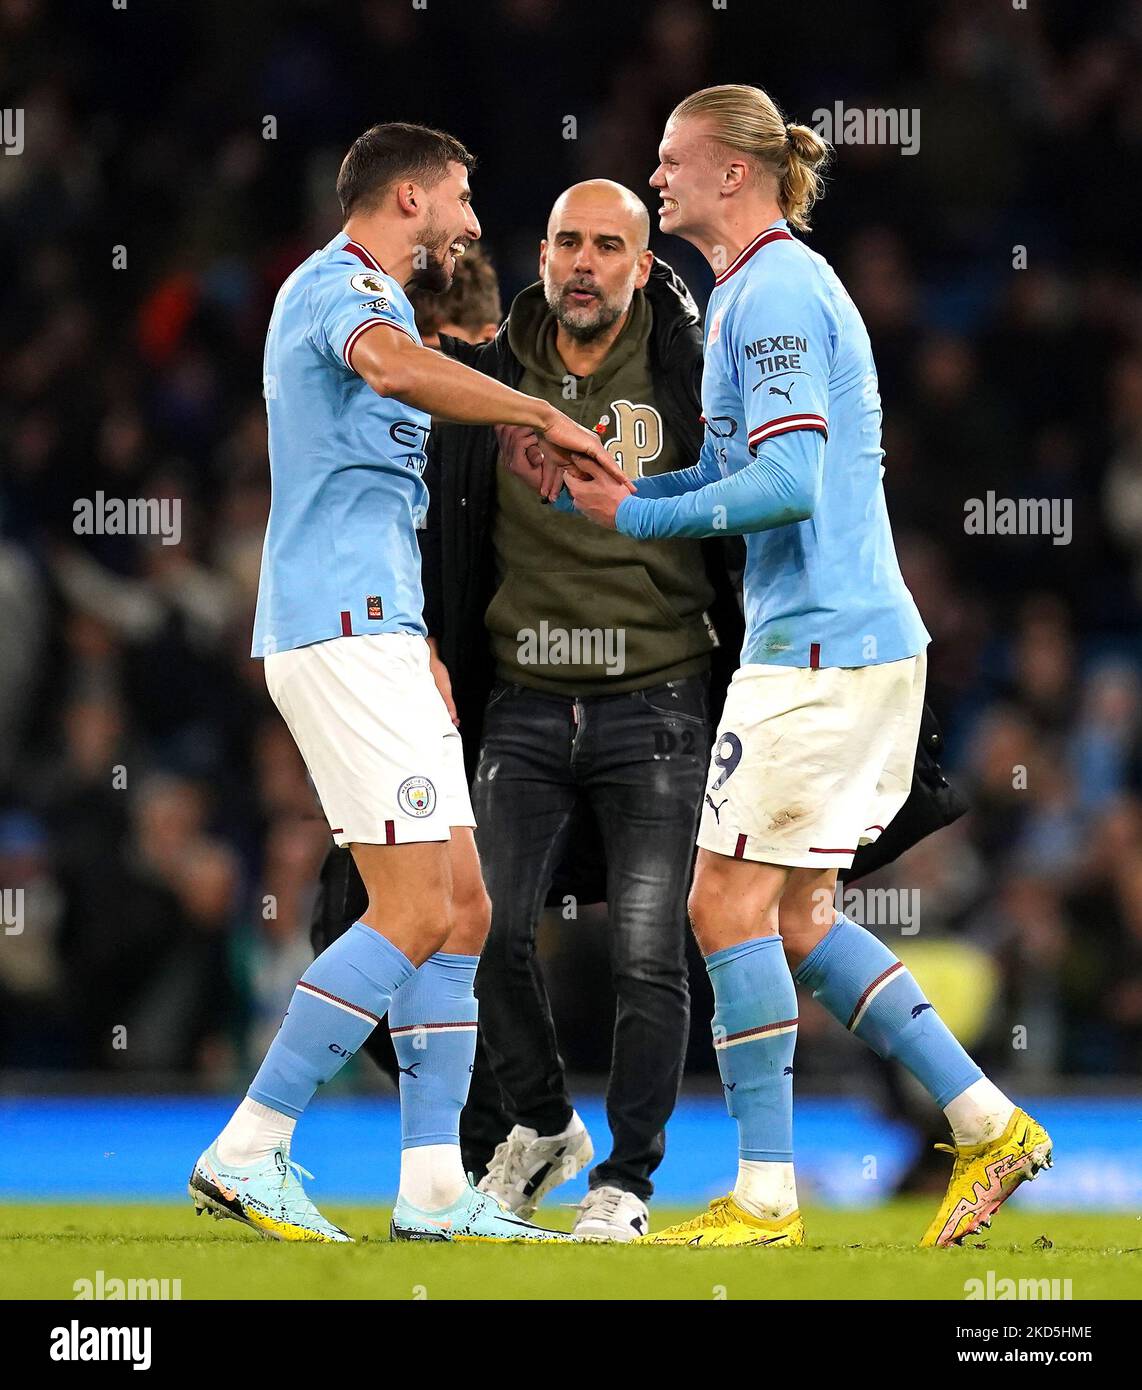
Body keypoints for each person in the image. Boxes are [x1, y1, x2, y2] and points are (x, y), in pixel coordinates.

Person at [541, 85, 1053, 1249]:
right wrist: (623, 490)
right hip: (849, 637)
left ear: (733, 172)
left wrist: (634, 525)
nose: (655, 177)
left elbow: (789, 485)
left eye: (670, 160)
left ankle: (764, 1198)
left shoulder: (770, 292)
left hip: (817, 646)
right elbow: (736, 480)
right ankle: (987, 1118)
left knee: (721, 902)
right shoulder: (749, 291)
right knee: (803, 916)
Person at [187, 121, 629, 1244]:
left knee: (467, 906)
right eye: (462, 201)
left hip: (383, 630)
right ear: (409, 197)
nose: (474, 224)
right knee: (415, 905)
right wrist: (537, 410)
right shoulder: (343, 290)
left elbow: (382, 456)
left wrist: (423, 632)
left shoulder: (371, 300)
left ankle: (434, 1187)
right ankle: (250, 1143)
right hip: (339, 632)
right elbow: (388, 365)